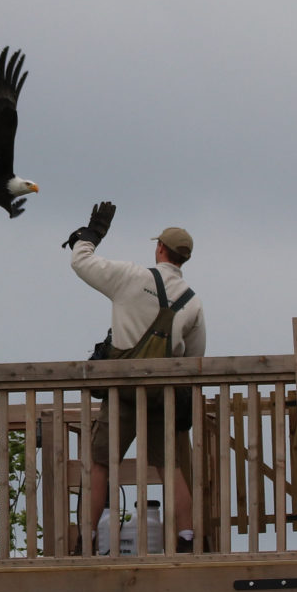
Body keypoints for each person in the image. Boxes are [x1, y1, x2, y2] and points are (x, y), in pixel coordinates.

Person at [64, 203, 206, 553]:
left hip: (123, 388)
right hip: (163, 394)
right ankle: (186, 539)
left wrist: (91, 235)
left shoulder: (132, 277)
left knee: (101, 463)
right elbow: (195, 359)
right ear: (183, 259)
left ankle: (90, 537)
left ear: (159, 249)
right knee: (169, 466)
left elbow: (81, 262)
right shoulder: (193, 302)